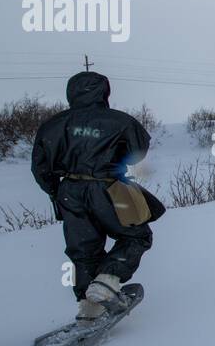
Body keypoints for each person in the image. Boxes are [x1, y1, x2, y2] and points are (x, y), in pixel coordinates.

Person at [31, 71, 162, 321]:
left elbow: (39, 168)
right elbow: (138, 152)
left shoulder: (52, 126)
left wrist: (57, 191)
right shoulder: (121, 122)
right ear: (104, 91)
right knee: (136, 236)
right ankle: (107, 281)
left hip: (68, 191)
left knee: (83, 250)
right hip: (110, 187)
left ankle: (88, 306)